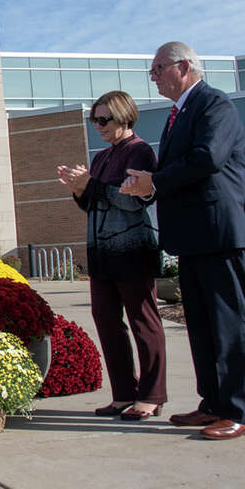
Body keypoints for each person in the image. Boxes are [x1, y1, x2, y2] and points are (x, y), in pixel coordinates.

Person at [121, 42, 245, 440]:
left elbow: (207, 158)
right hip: (194, 238)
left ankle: (240, 411)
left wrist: (156, 180)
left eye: (158, 69)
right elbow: (179, 169)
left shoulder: (215, 104)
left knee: (230, 326)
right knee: (202, 326)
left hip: (221, 234)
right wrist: (146, 187)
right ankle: (213, 404)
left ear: (183, 66)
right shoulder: (178, 114)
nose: (154, 77)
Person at [58, 91, 166, 421]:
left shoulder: (140, 151)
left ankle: (151, 395)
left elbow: (133, 200)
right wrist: (80, 189)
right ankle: (123, 394)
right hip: (102, 252)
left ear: (124, 117)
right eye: (95, 120)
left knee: (142, 321)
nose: (98, 126)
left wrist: (92, 185)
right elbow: (94, 204)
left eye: (104, 120)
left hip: (132, 249)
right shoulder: (102, 157)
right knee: (106, 321)